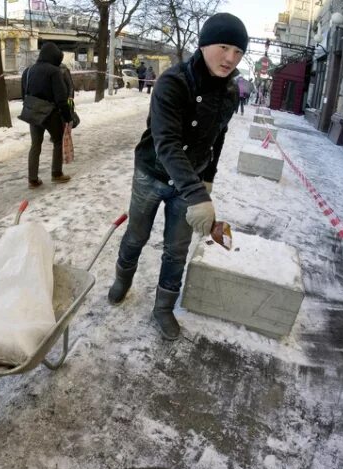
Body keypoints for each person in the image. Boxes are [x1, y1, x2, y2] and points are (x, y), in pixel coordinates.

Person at [107, 13, 248, 340]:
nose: (230, 58)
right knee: (136, 235)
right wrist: (198, 195)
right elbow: (167, 142)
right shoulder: (173, 82)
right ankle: (122, 279)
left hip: (191, 180)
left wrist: (207, 178)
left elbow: (217, 137)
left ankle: (163, 307)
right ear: (204, 44)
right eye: (224, 47)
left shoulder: (230, 92)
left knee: (177, 249)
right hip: (152, 173)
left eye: (238, 52)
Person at [20, 42, 73, 189]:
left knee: (35, 145)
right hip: (51, 114)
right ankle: (56, 173)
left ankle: (33, 179)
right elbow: (61, 98)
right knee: (58, 141)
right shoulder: (54, 71)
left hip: (32, 112)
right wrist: (68, 117)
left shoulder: (28, 71)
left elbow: (24, 94)